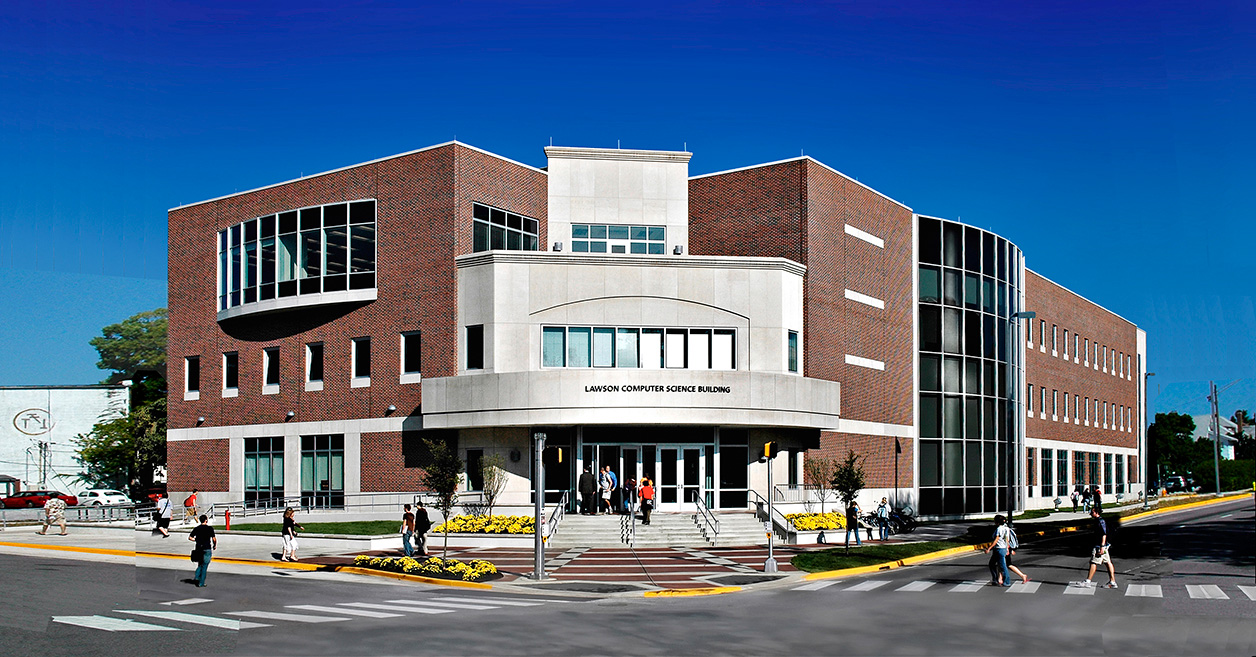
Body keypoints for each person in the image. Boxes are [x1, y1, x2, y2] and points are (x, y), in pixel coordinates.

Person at [1083, 507, 1117, 588]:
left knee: (1093, 562)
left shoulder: (1100, 521)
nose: (1090, 513)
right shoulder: (1099, 521)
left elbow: (1103, 534)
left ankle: (1088, 581)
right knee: (1107, 562)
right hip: (1104, 545)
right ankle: (1112, 582)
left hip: (1100, 545)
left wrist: (1102, 546)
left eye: (1092, 512)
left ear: (1096, 512)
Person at [983, 514, 1013, 587]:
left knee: (1002, 566)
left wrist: (989, 548)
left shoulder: (999, 529)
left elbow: (996, 540)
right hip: (1002, 549)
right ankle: (995, 579)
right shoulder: (1007, 528)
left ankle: (1006, 581)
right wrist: (1007, 548)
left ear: (997, 522)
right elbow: (1007, 540)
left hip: (999, 549)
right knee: (992, 564)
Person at [189, 515, 216, 587]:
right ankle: (201, 583)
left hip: (199, 548)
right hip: (207, 548)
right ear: (206, 520)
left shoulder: (197, 528)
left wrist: (197, 540)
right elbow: (214, 539)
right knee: (205, 565)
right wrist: (214, 545)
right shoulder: (209, 528)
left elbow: (190, 537)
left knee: (200, 563)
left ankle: (197, 577)